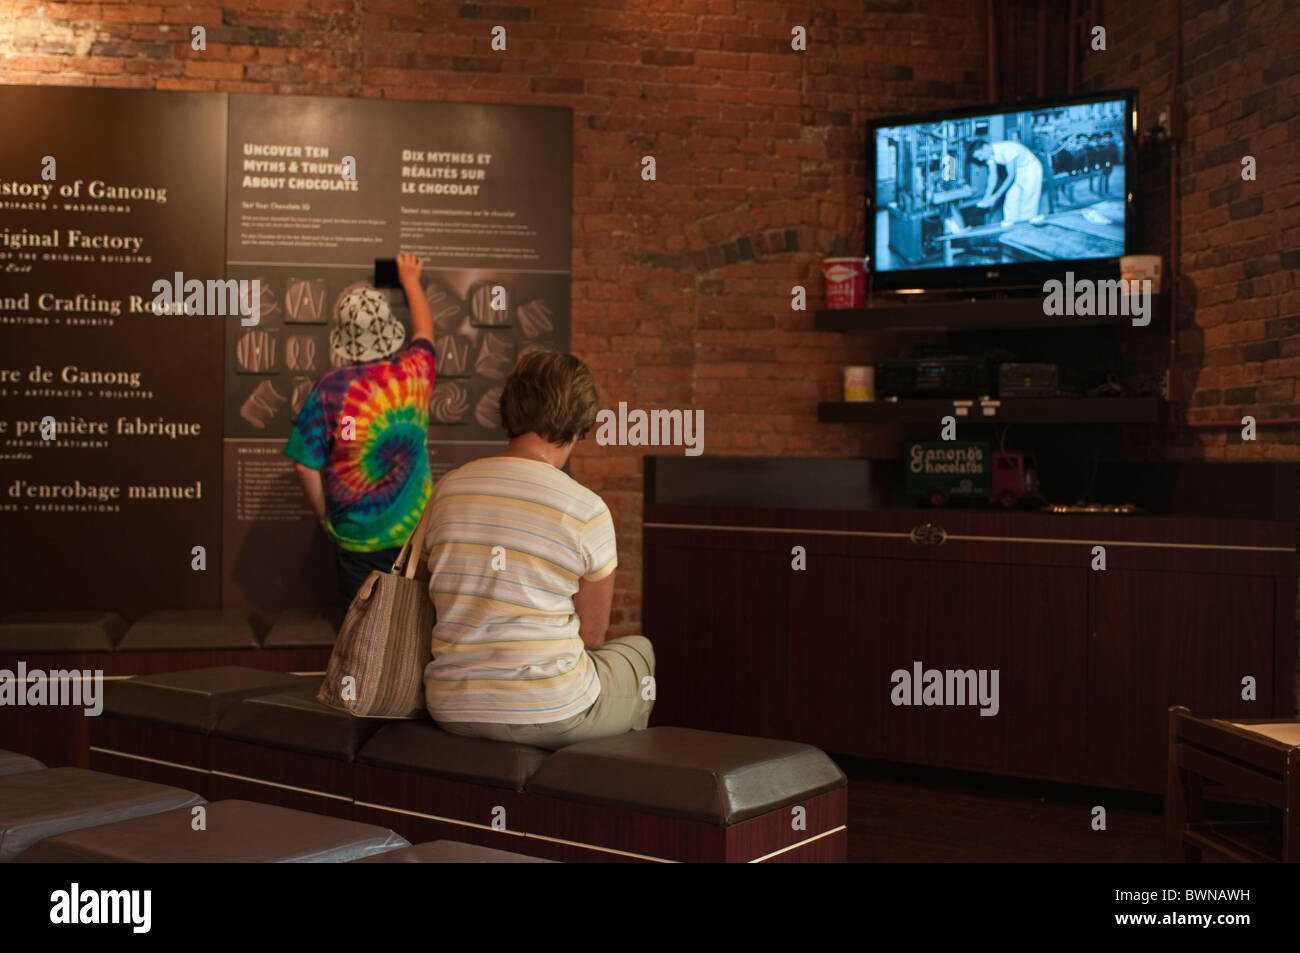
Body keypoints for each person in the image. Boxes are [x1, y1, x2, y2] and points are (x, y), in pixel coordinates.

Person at [419, 350, 655, 750]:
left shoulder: (448, 489)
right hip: (550, 712)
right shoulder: (586, 509)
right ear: (579, 425)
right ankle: (600, 787)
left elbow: (429, 592)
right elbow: (593, 636)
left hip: (450, 706)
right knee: (639, 654)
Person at [285, 253, 436, 602]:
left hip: (356, 539)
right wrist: (410, 279)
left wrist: (326, 519)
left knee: (360, 638)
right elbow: (425, 330)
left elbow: (304, 464)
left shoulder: (330, 389)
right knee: (414, 634)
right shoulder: (417, 371)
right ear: (389, 332)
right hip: (416, 536)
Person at [968, 137, 1044, 226]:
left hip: (1031, 169)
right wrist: (987, 197)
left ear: (985, 147)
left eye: (980, 155)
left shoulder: (1007, 150)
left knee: (1028, 200)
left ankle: (1025, 226)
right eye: (978, 158)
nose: (980, 159)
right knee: (1011, 197)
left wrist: (996, 196)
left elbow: (1011, 176)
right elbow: (992, 177)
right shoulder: (990, 155)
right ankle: (1010, 224)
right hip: (1018, 170)